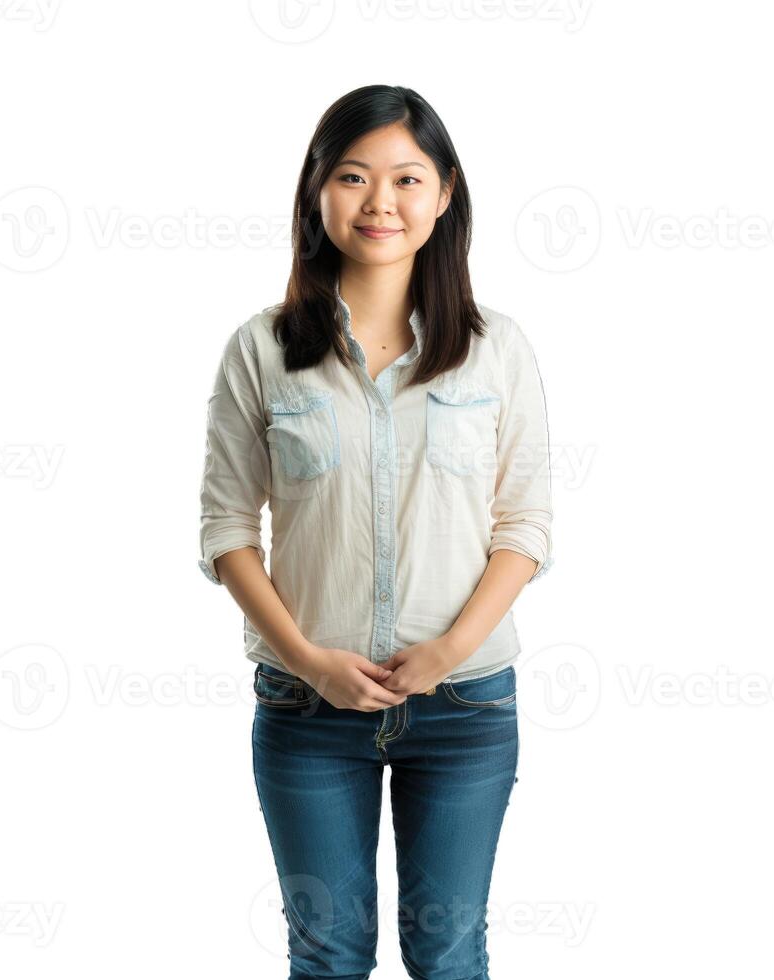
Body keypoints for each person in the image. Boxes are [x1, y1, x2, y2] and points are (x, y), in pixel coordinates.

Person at [198, 84, 554, 979]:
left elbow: (525, 526)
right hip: (306, 708)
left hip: (465, 707)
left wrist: (448, 651)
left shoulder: (498, 348)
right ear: (317, 189)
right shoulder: (262, 349)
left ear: (446, 192)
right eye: (354, 176)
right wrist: (310, 660)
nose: (380, 202)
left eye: (407, 178)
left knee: (449, 952)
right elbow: (228, 529)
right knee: (327, 954)